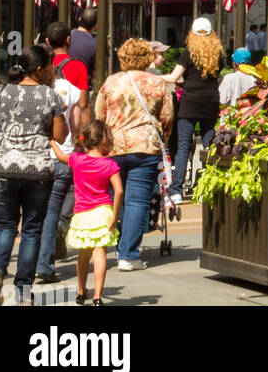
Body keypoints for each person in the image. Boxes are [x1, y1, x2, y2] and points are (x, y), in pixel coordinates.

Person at [0, 44, 66, 304]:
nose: (53, 70)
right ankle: (23, 290)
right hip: (37, 170)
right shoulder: (50, 96)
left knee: (4, 226)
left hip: (3, 167)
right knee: (31, 230)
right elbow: (60, 136)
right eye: (51, 66)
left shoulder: (1, 91)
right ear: (40, 69)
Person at [94, 38, 175, 271]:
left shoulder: (111, 81)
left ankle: (120, 244)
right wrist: (163, 140)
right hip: (145, 146)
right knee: (138, 201)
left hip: (114, 147)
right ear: (148, 57)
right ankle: (128, 254)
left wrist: (102, 143)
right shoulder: (157, 82)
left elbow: (99, 114)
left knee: (115, 198)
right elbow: (167, 117)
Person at [35, 22, 91, 282]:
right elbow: (82, 108)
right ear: (69, 40)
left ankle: (31, 260)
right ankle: (54, 240)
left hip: (35, 154)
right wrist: (81, 138)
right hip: (65, 150)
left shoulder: (33, 82)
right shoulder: (76, 70)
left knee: (36, 211)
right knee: (61, 202)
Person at [53, 120, 123, 307]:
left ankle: (81, 290)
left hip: (82, 214)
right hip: (102, 212)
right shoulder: (110, 165)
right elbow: (119, 191)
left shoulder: (76, 159)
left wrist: (52, 141)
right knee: (100, 254)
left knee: (83, 255)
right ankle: (98, 297)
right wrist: (115, 216)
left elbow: (60, 156)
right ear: (103, 140)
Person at [164, 17, 224, 206]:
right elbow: (216, 78)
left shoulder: (188, 52)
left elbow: (174, 77)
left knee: (183, 147)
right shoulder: (219, 53)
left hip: (190, 102)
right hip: (211, 101)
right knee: (209, 145)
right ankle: (209, 186)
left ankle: (176, 191)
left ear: (193, 33)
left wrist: (153, 78)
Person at [68, 9, 98, 83]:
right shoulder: (95, 44)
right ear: (96, 25)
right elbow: (96, 74)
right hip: (83, 88)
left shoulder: (66, 36)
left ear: (79, 19)